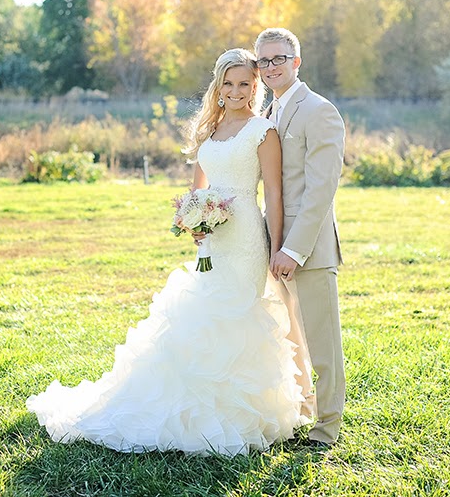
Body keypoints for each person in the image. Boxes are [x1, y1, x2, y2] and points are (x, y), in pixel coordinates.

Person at [26, 48, 308, 456]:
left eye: (245, 83)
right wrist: (193, 219)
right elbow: (198, 185)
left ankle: (244, 411)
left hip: (245, 234)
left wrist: (276, 246)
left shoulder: (263, 132)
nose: (236, 91)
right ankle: (191, 406)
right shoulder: (209, 133)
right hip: (212, 236)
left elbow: (275, 194)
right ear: (218, 86)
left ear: (256, 86)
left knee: (240, 312)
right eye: (228, 83)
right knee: (204, 309)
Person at [255, 27, 346, 446]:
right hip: (271, 244)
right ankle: (304, 409)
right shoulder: (267, 111)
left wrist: (293, 248)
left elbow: (320, 190)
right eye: (263, 61)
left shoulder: (319, 111)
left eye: (278, 59)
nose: (270, 67)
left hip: (307, 247)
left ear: (296, 62)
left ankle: (327, 428)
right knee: (289, 335)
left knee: (321, 340)